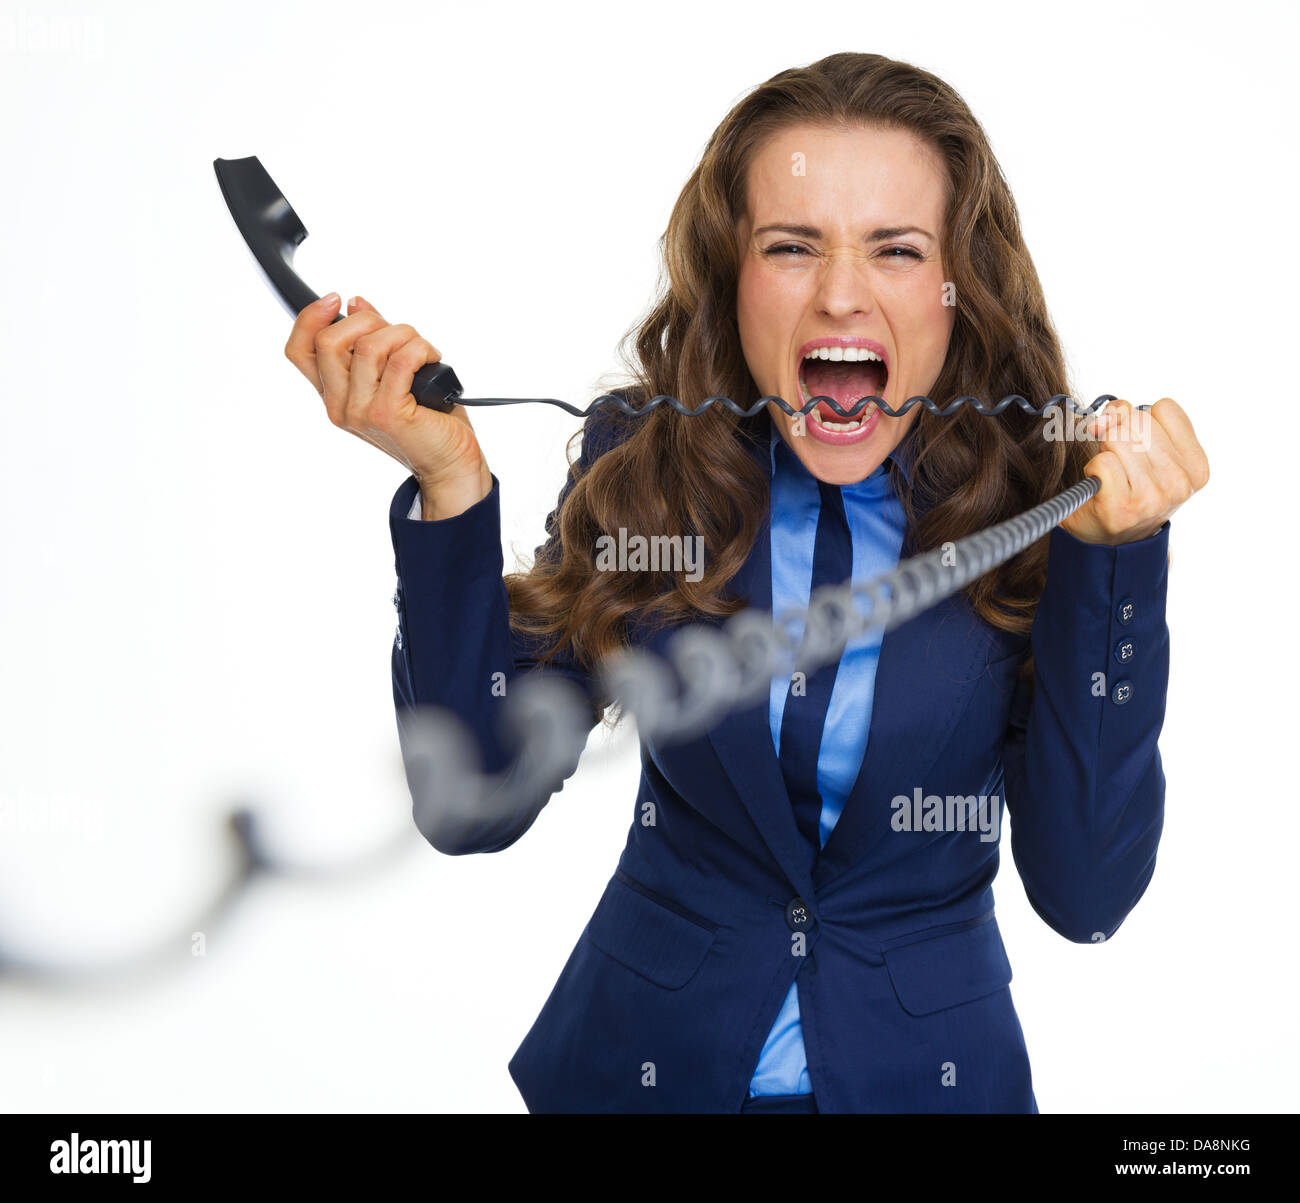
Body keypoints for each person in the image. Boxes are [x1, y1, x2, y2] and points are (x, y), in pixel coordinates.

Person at [283, 52, 1209, 1113]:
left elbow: (1087, 895)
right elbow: (470, 800)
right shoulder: (646, 465)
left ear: (961, 289)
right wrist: (449, 482)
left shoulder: (1039, 500)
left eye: (897, 250)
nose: (841, 295)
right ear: (732, 278)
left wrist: (1118, 558)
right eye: (790, 247)